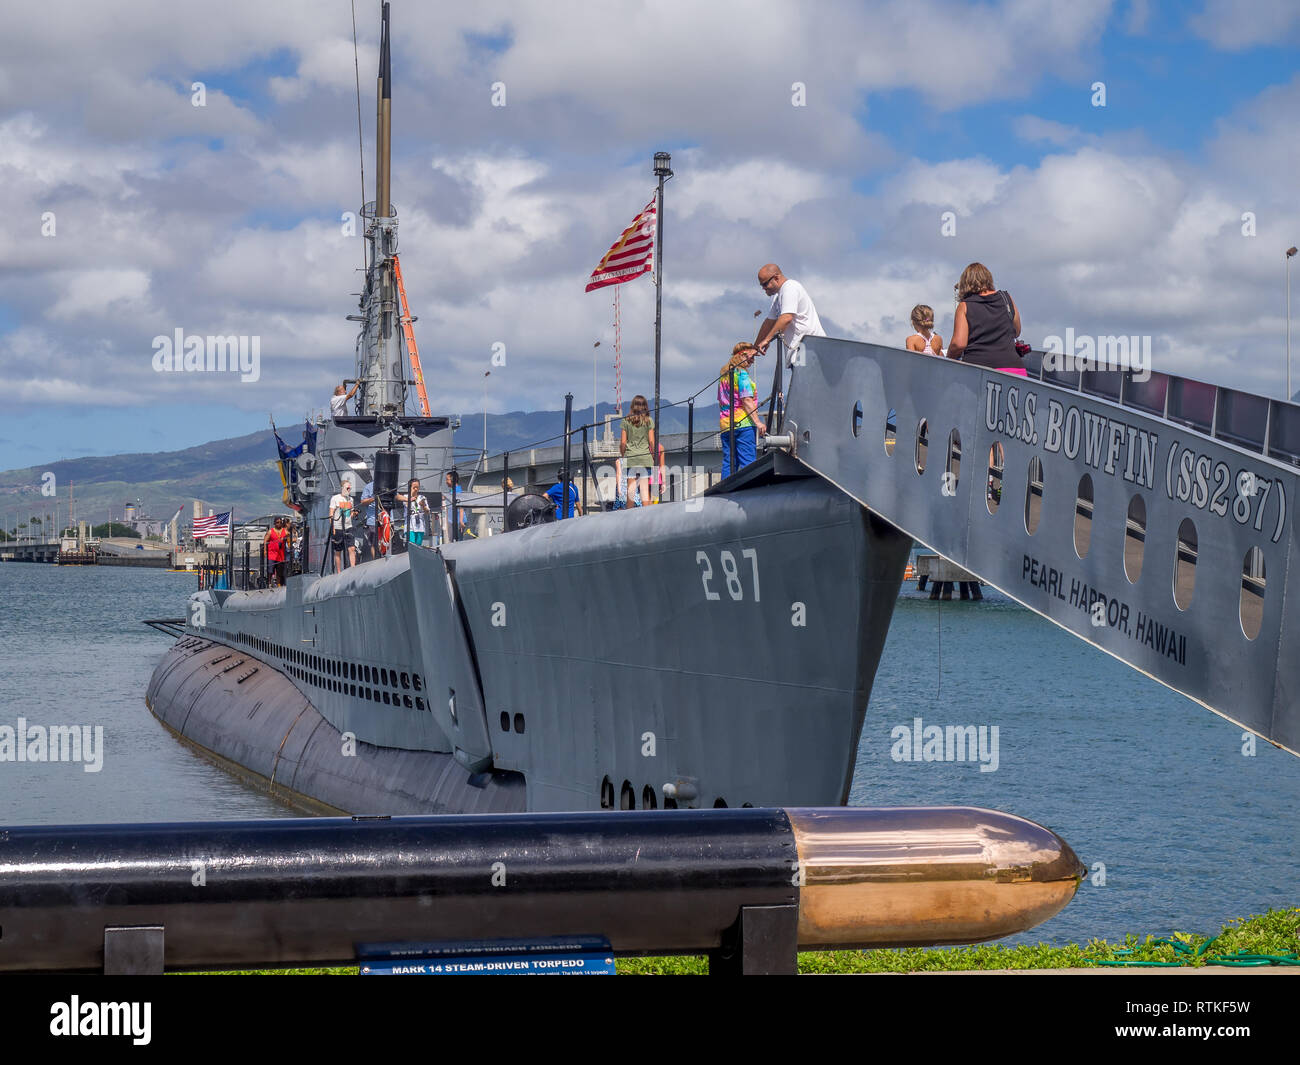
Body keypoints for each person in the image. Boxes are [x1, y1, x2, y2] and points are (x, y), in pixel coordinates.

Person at [945, 263, 1026, 376]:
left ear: (965, 283)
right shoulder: (1006, 298)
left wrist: (948, 360)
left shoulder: (965, 306)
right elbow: (1016, 331)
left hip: (979, 372)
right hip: (1014, 370)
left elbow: (958, 344)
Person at [754, 264, 825, 357]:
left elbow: (786, 318)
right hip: (802, 352)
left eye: (765, 284)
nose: (763, 288)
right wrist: (754, 348)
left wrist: (767, 340)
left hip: (810, 350)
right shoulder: (778, 297)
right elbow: (768, 323)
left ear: (776, 278)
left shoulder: (790, 287)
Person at [718, 342, 767, 479]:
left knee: (729, 462)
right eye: (751, 357)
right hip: (743, 423)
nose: (752, 361)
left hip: (726, 424)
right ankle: (748, 489)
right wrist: (758, 423)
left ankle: (726, 492)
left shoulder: (724, 376)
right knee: (748, 462)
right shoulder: (742, 375)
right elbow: (746, 400)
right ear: (743, 356)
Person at [620, 394, 656, 507]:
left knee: (631, 490)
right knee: (645, 491)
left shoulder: (626, 421)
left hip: (630, 458)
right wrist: (654, 456)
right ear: (645, 406)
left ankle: (629, 517)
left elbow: (623, 443)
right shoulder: (649, 421)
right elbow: (651, 442)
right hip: (645, 458)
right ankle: (647, 518)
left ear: (632, 406)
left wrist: (623, 455)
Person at [327, 477, 357, 571]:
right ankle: (339, 571)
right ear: (343, 488)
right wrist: (333, 527)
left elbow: (350, 513)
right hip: (337, 527)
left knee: (351, 548)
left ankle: (353, 567)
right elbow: (331, 513)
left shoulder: (350, 500)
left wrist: (354, 513)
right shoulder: (335, 498)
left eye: (350, 488)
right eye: (348, 488)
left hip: (348, 526)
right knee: (338, 551)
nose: (349, 490)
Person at [396, 478, 431, 547]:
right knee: (412, 544)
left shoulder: (422, 497)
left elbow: (427, 512)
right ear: (410, 487)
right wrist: (410, 497)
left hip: (420, 526)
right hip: (410, 526)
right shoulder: (406, 497)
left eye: (417, 487)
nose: (416, 489)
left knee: (418, 545)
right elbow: (399, 499)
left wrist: (423, 505)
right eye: (414, 487)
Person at [264, 516, 289, 587]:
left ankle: (278, 584)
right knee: (270, 570)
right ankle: (269, 583)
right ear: (275, 523)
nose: (279, 524)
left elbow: (290, 538)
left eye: (280, 522)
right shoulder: (270, 531)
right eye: (277, 522)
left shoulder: (285, 532)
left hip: (280, 554)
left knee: (279, 571)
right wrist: (265, 550)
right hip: (272, 553)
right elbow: (265, 540)